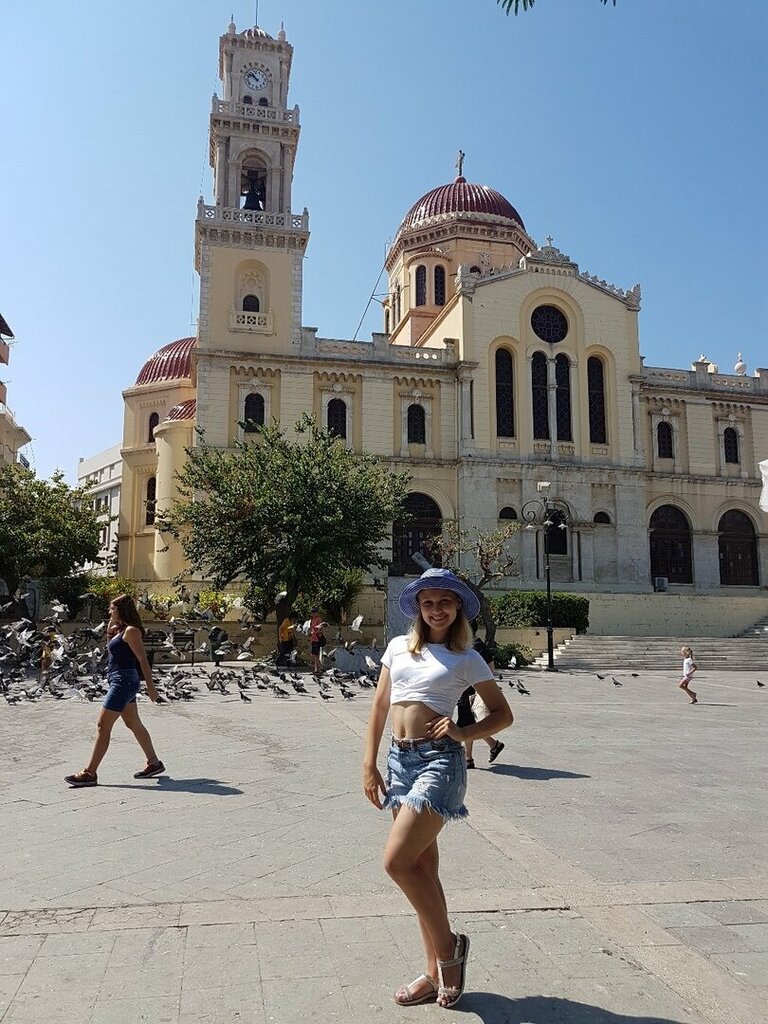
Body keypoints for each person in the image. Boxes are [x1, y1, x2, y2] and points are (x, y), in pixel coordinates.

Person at [363, 568, 513, 1008]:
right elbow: (379, 705)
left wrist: (464, 733)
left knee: (397, 862)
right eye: (428, 603)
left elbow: (502, 714)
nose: (436, 610)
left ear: (458, 606)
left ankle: (449, 951)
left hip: (438, 764)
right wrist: (368, 764)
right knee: (423, 869)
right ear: (418, 608)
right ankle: (432, 974)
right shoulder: (398, 647)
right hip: (399, 762)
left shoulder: (466, 657)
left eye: (445, 602)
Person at [65, 594, 164, 788]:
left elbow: (142, 660)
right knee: (133, 723)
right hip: (119, 680)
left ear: (121, 610)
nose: (109, 611)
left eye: (112, 608)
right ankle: (154, 763)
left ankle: (89, 773)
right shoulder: (121, 630)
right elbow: (114, 654)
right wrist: (111, 633)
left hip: (123, 681)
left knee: (103, 725)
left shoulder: (132, 631)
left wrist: (151, 688)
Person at [457, 624, 505, 768]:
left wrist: (483, 687)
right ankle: (489, 747)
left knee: (468, 724)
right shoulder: (466, 645)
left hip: (473, 691)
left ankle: (470, 757)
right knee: (468, 723)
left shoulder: (478, 646)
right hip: (465, 691)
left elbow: (490, 667)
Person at [308, 607, 328, 677]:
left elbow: (320, 630)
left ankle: (321, 668)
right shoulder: (312, 619)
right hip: (313, 639)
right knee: (314, 655)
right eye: (312, 613)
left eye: (314, 612)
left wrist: (314, 633)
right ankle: (316, 669)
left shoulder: (319, 619)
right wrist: (310, 633)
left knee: (315, 655)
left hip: (317, 639)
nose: (313, 614)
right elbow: (312, 628)